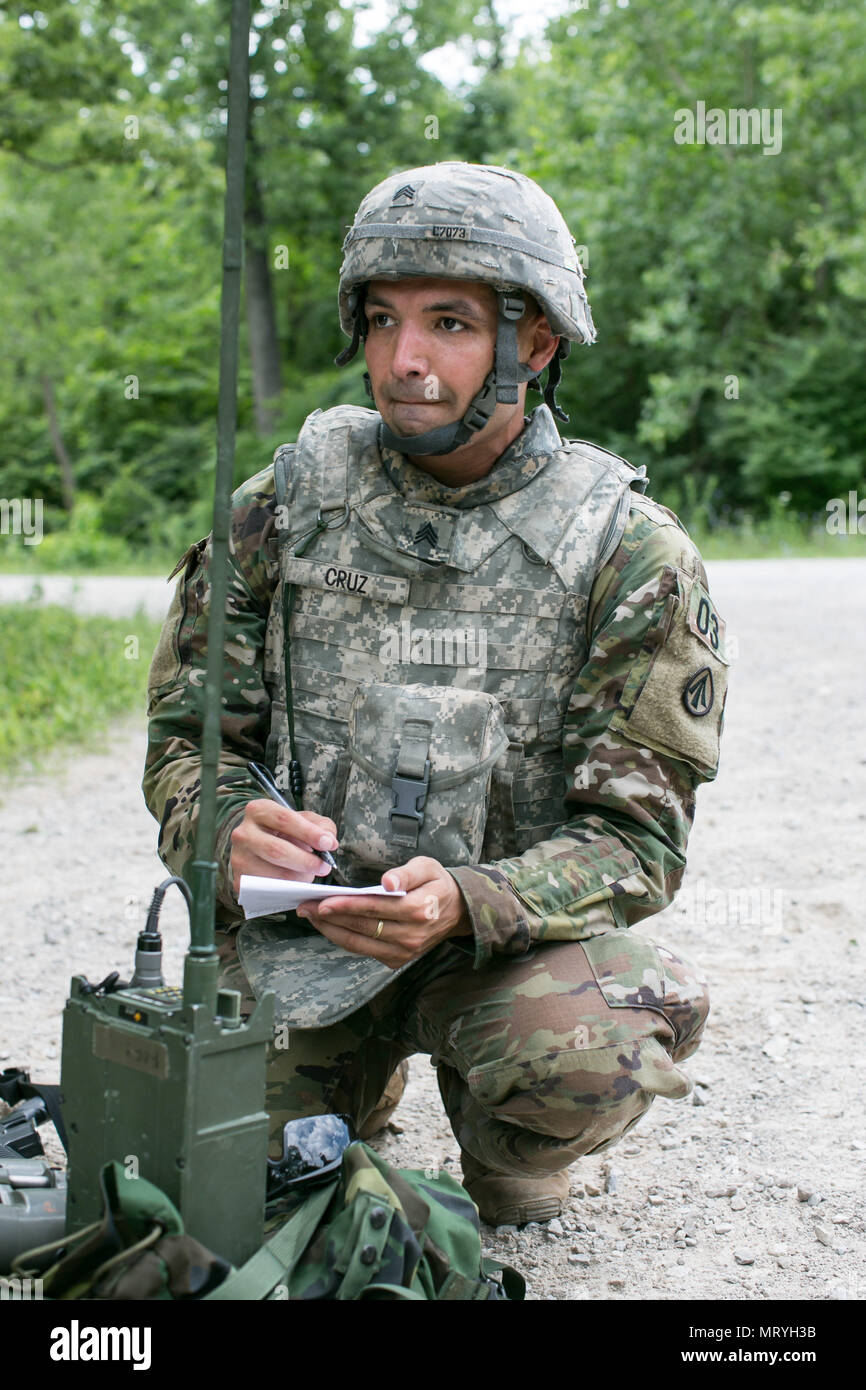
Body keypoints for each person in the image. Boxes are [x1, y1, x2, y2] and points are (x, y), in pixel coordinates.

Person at [143, 162, 727, 1228]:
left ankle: (510, 1146)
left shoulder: (625, 552)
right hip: (299, 945)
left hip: (500, 953)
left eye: (449, 323)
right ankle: (349, 1086)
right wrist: (223, 826)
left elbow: (635, 843)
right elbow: (187, 744)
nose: (403, 361)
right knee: (212, 1165)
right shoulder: (280, 508)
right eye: (380, 320)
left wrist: (467, 901)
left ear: (534, 342)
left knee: (592, 1048)